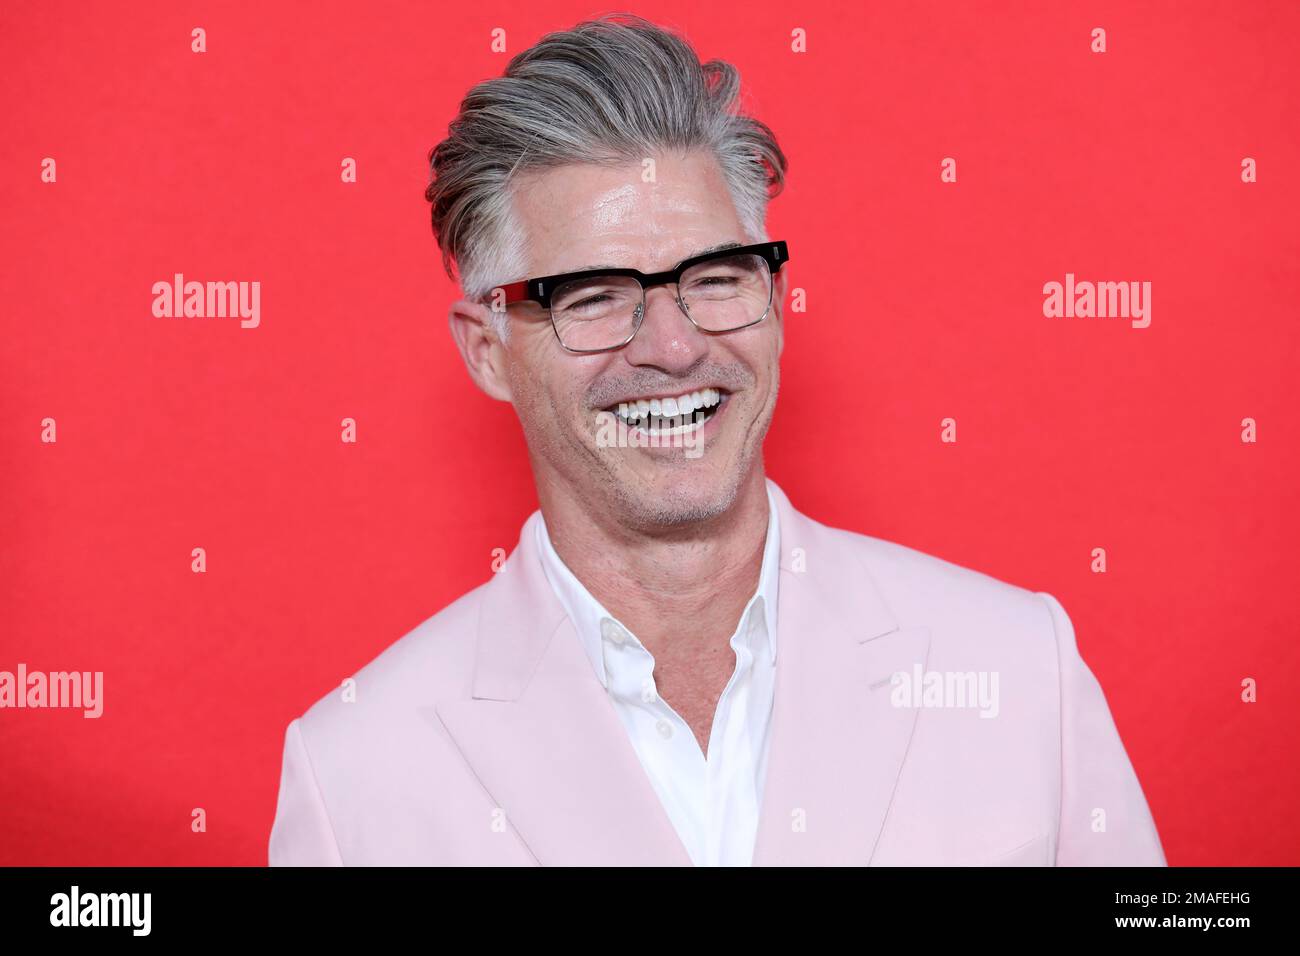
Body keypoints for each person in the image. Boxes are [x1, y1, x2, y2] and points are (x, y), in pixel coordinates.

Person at [268, 13, 1165, 866]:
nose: (673, 345)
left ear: (774, 300)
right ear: (488, 351)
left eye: (719, 277)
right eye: (593, 297)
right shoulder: (355, 772)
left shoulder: (1017, 667)